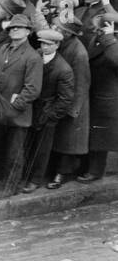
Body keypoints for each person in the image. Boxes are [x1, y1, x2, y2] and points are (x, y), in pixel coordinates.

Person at [0, 14, 42, 198]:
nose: (14, 30)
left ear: (28, 31)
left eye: (19, 27)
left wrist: (15, 106)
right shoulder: (4, 49)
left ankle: (12, 187)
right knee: (2, 148)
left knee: (14, 153)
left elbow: (32, 89)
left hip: (17, 114)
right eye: (11, 28)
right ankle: (2, 181)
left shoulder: (32, 57)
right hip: (0, 109)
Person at [20, 29, 74, 193]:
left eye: (49, 44)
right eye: (42, 43)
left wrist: (50, 115)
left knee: (41, 148)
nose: (44, 47)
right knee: (28, 142)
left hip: (46, 111)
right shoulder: (36, 55)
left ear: (57, 45)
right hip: (31, 107)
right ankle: (25, 174)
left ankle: (35, 180)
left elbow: (65, 99)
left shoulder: (63, 69)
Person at [46, 19, 91, 189]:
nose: (54, 28)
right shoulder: (64, 44)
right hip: (61, 99)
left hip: (73, 103)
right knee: (60, 139)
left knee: (69, 141)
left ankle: (62, 174)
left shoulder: (79, 53)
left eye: (58, 28)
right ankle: (55, 170)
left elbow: (82, 83)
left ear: (67, 33)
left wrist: (73, 109)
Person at [79, 7, 118, 181]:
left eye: (102, 26)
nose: (98, 29)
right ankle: (91, 168)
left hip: (109, 97)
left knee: (103, 135)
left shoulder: (111, 42)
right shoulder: (99, 39)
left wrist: (109, 38)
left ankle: (96, 171)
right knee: (97, 134)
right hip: (96, 92)